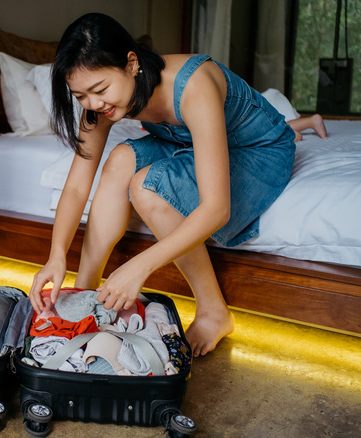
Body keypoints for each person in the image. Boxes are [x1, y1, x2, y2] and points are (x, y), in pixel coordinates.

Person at [28, 13, 298, 356]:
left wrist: (138, 267)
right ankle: (85, 294)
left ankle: (214, 310)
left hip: (255, 151)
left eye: (100, 90)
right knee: (120, 160)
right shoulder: (98, 107)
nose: (93, 104)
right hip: (190, 142)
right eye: (80, 96)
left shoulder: (194, 84)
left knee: (147, 186)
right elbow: (77, 186)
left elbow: (216, 208)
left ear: (131, 63)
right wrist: (55, 256)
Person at [261, 88, 328, 142]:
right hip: (268, 96)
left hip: (263, 102)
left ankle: (284, 133)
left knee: (267, 128)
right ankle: (312, 121)